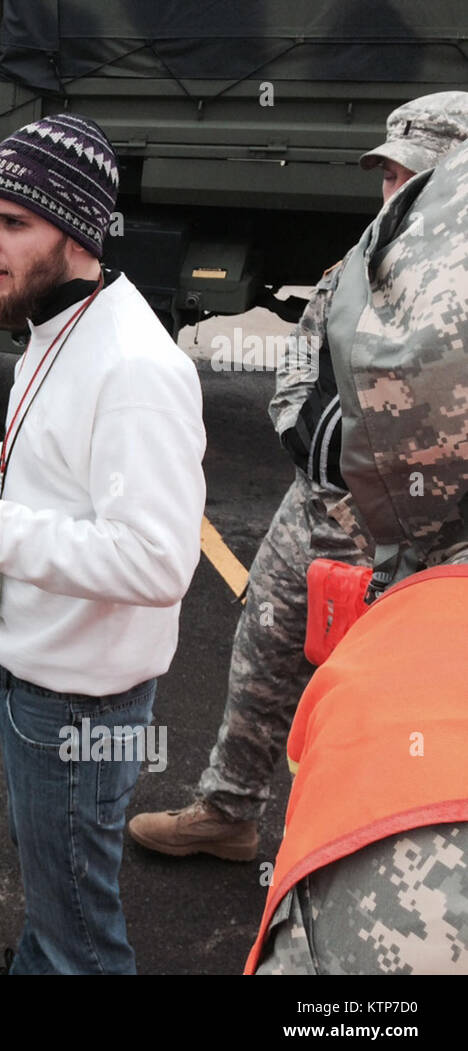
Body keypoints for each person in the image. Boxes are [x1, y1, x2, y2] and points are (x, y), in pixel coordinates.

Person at [0, 114, 207, 974]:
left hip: (78, 709)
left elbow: (158, 559)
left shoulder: (134, 367)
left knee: (81, 933)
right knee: (58, 888)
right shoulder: (62, 327)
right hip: (41, 685)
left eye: (11, 222)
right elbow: (48, 465)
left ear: (77, 231)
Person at [128, 91, 468, 861]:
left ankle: (348, 862)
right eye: (386, 174)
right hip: (312, 511)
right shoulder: (360, 262)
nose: (389, 192)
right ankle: (228, 810)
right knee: (265, 651)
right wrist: (309, 437)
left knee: (377, 701)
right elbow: (297, 370)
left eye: (408, 178)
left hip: (410, 543)